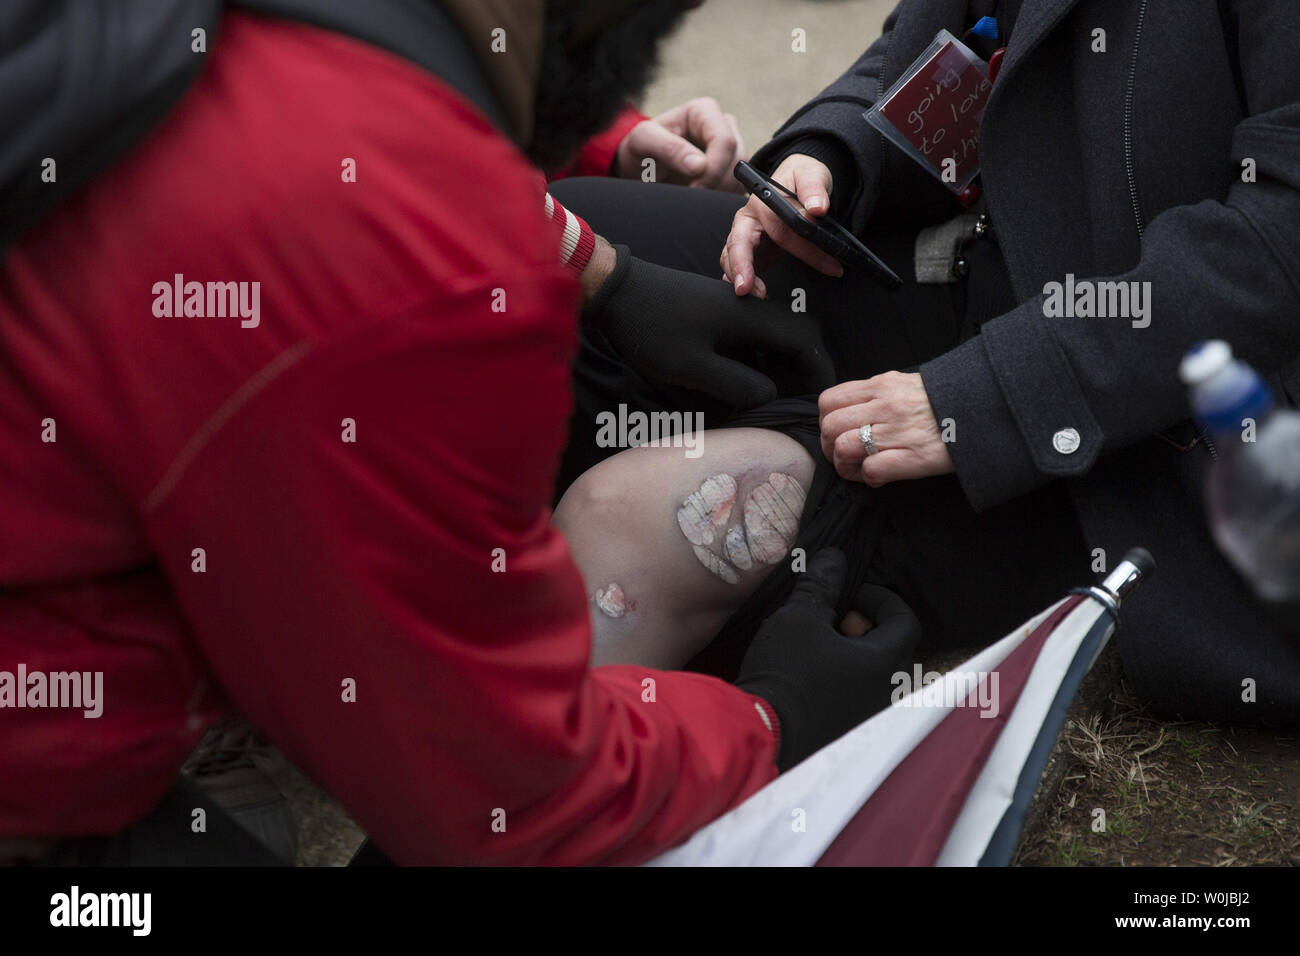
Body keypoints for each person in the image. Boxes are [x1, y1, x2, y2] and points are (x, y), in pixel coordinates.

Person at [0, 0, 919, 866]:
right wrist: (771, 724)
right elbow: (504, 797)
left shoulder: (236, 82)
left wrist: (598, 267)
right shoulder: (396, 252)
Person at [550, 0, 1300, 725]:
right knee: (573, 272)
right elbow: (941, 43)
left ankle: (569, 793)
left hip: (1155, 440)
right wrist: (832, 153)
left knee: (639, 525)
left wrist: (989, 398)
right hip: (972, 289)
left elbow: (1275, 246)